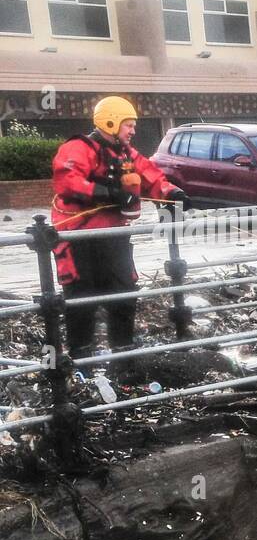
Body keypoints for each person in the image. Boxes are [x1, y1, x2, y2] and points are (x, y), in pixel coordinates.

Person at [51, 96, 186, 362]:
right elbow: (68, 181)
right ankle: (81, 360)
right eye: (128, 125)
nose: (133, 131)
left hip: (113, 236)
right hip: (79, 236)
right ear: (110, 122)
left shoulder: (126, 154)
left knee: (124, 294)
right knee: (82, 299)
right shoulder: (79, 148)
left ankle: (124, 355)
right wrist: (109, 194)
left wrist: (174, 193)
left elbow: (151, 176)